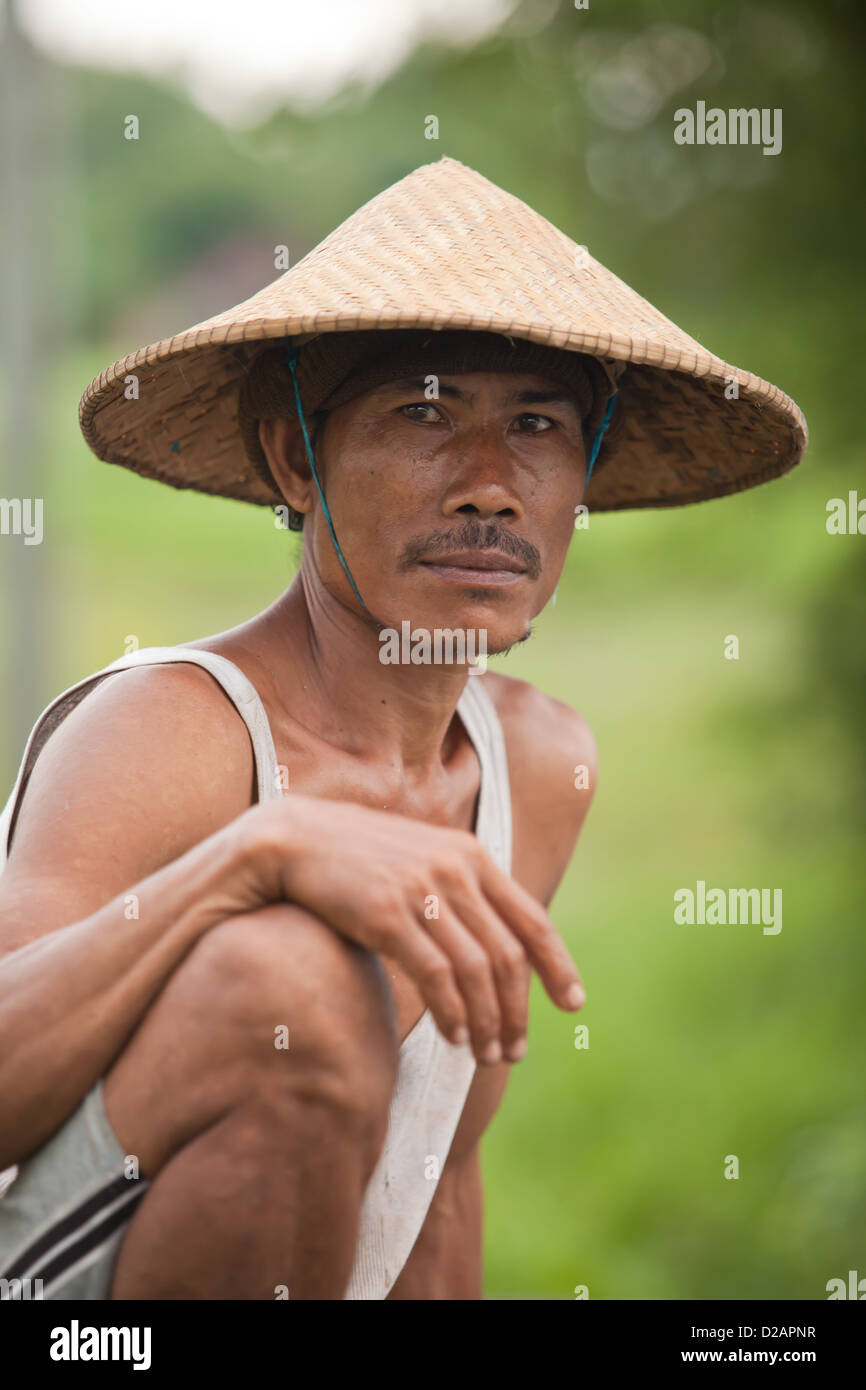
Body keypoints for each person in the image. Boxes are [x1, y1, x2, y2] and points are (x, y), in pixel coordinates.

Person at [0, 156, 807, 1301]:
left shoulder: (537, 762)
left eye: (535, 424)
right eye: (423, 411)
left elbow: (434, 1177)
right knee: (289, 981)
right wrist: (253, 859)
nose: (488, 485)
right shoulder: (174, 727)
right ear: (296, 457)